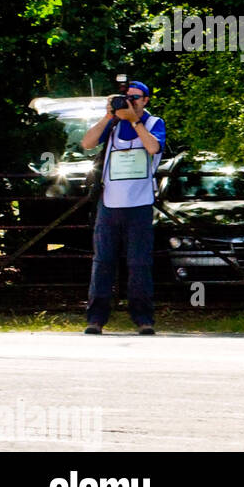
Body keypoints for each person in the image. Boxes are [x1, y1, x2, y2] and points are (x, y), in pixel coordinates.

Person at [78, 81, 166, 334]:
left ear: (146, 100)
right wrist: (109, 115)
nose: (130, 102)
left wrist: (134, 121)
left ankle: (143, 319)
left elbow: (152, 147)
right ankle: (95, 319)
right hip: (109, 205)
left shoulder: (152, 123)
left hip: (139, 205)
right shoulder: (113, 124)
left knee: (139, 264)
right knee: (103, 261)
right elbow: (87, 143)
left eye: (135, 98)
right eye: (125, 97)